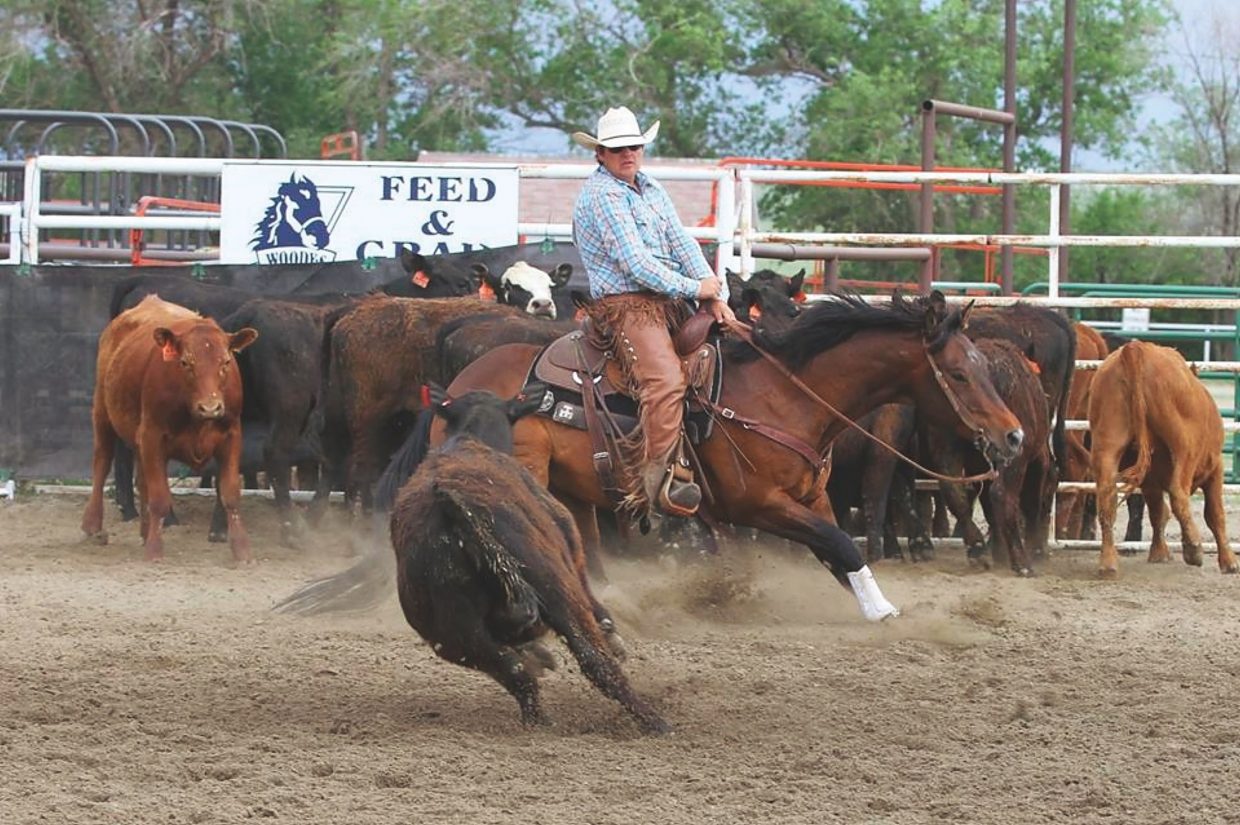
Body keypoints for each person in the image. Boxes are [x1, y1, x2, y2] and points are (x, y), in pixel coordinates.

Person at [571, 105, 735, 518]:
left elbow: (681, 243)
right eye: (618, 149)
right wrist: (694, 287)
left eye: (634, 147)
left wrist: (713, 295)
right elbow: (635, 263)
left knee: (731, 349)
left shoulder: (650, 188)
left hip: (665, 298)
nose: (628, 154)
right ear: (601, 155)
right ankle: (660, 482)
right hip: (625, 305)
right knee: (663, 380)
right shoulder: (603, 195)